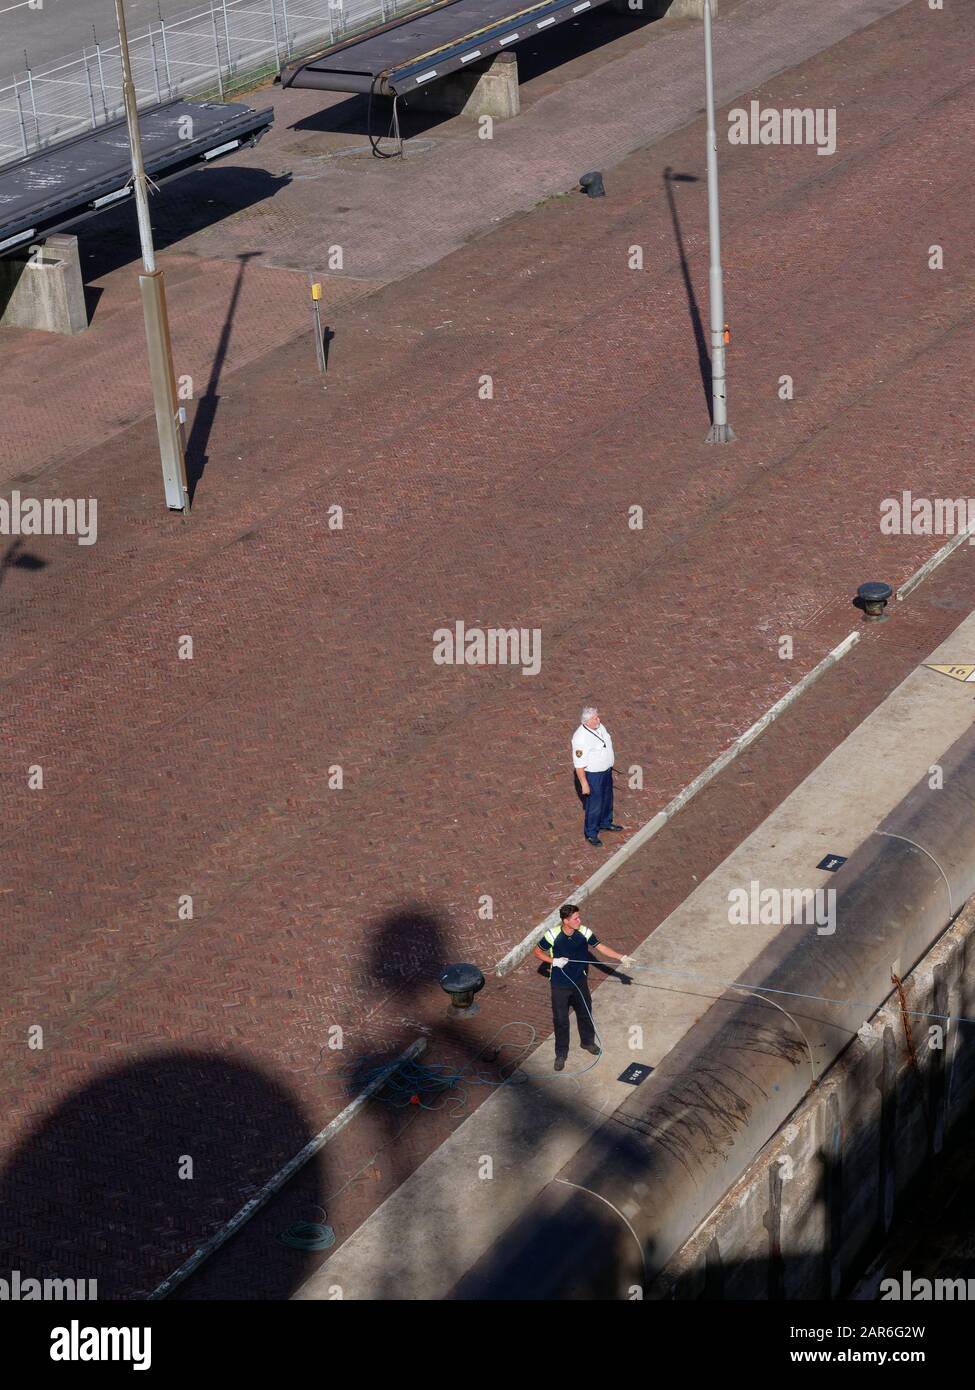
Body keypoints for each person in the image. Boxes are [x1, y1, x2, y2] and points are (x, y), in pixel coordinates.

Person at [533, 903, 633, 1071]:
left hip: (580, 981)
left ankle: (587, 1043)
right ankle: (561, 1054)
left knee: (585, 1013)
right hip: (560, 985)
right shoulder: (552, 935)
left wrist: (621, 957)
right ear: (566, 921)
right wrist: (554, 961)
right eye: (576, 918)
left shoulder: (584, 932)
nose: (579, 920)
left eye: (579, 917)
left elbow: (600, 947)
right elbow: (537, 952)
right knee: (561, 1020)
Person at [571, 705, 623, 847]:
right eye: (595, 718)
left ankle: (606, 822)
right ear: (587, 722)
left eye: (597, 716)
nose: (598, 719)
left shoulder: (599, 727)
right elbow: (579, 764)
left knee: (607, 798)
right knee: (594, 804)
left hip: (606, 772)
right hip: (593, 775)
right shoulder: (580, 738)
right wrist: (584, 783)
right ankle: (591, 833)